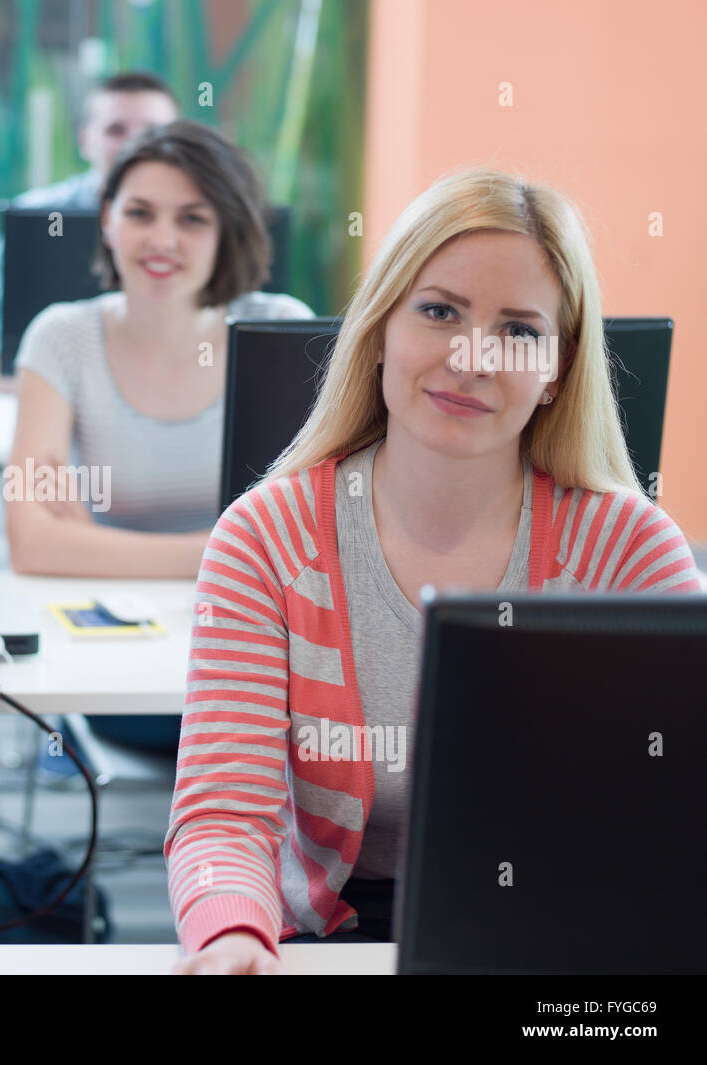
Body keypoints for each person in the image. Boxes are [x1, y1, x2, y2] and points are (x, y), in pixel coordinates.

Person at [165, 166, 701, 975]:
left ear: (557, 367)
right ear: (382, 327)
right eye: (440, 311)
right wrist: (235, 938)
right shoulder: (266, 538)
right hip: (331, 938)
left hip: (563, 946)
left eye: (518, 329)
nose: (471, 357)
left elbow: (679, 816)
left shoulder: (631, 551)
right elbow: (221, 817)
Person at [7, 119, 313, 760]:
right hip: (119, 664)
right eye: (140, 212)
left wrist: (91, 544)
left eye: (193, 219)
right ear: (108, 221)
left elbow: (311, 539)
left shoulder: (282, 328)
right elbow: (32, 541)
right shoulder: (61, 337)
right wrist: (229, 553)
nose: (161, 239)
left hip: (266, 657)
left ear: (228, 230)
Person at [0, 71, 179, 384]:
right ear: (85, 139)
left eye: (152, 131)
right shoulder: (32, 216)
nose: (136, 144)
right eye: (115, 129)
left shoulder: (210, 225)